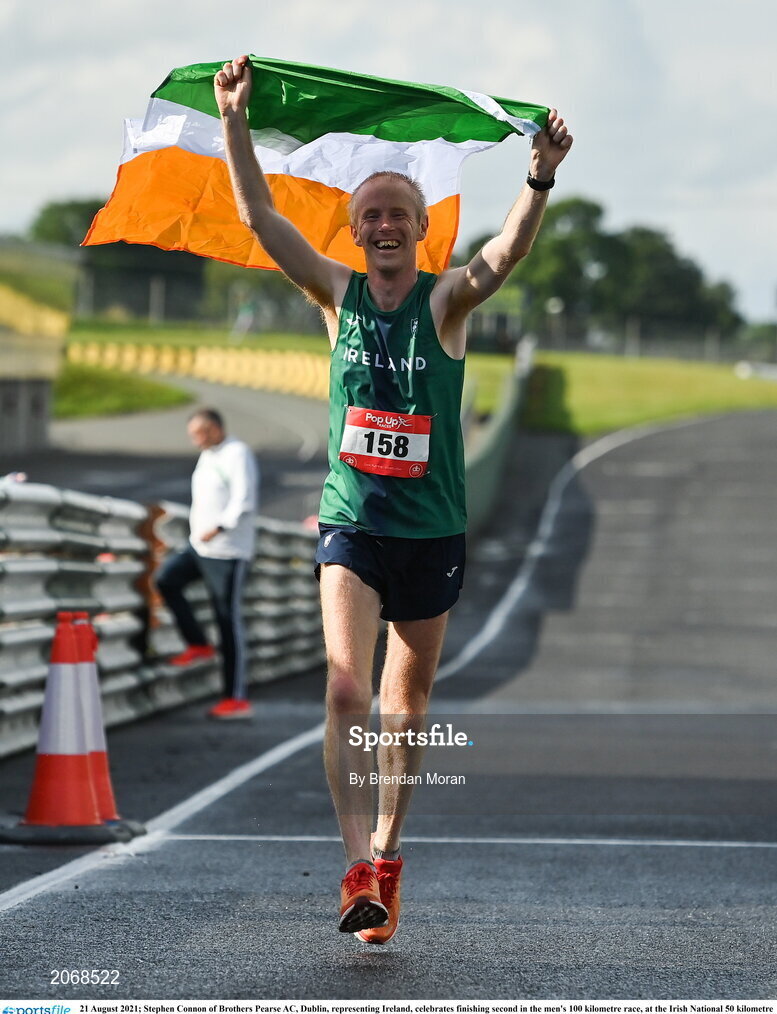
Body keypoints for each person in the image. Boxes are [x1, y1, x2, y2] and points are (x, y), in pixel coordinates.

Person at [214, 55, 572, 939]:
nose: (383, 225)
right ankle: (354, 871)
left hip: (431, 529)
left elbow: (505, 253)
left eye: (397, 215)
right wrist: (234, 120)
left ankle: (388, 853)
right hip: (352, 522)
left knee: (402, 706)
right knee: (346, 688)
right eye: (370, 214)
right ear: (353, 230)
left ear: (420, 230)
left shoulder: (445, 302)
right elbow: (259, 218)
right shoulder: (334, 294)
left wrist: (537, 177)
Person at [155, 408, 259, 720]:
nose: (195, 440)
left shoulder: (237, 453)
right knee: (166, 580)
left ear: (214, 428)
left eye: (199, 433)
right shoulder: (208, 455)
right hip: (199, 546)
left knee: (227, 621)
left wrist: (220, 527)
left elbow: (244, 498)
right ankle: (198, 643)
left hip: (227, 551)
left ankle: (235, 698)